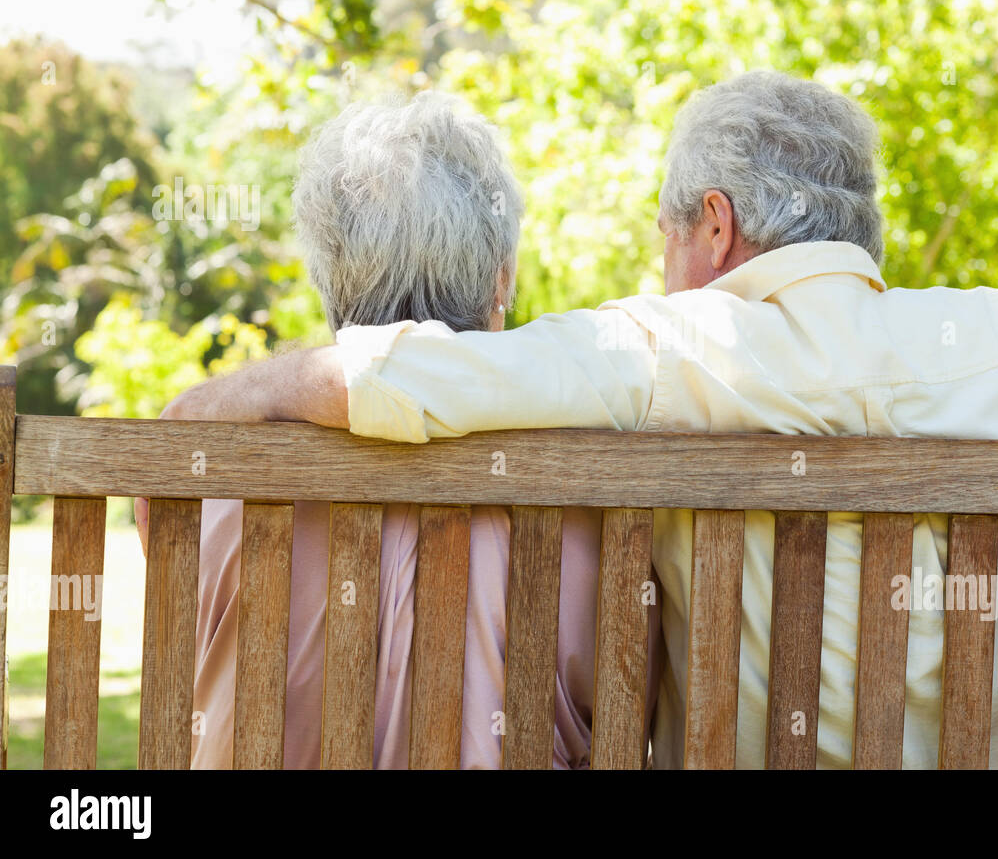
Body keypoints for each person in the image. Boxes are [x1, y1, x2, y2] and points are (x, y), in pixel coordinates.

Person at [158, 71, 998, 769]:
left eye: (664, 234)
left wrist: (224, 400)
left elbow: (424, 377)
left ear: (713, 225)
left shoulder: (671, 348)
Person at [137, 91, 660, 768]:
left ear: (329, 286)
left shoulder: (213, 502)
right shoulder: (600, 517)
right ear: (501, 281)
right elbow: (627, 727)